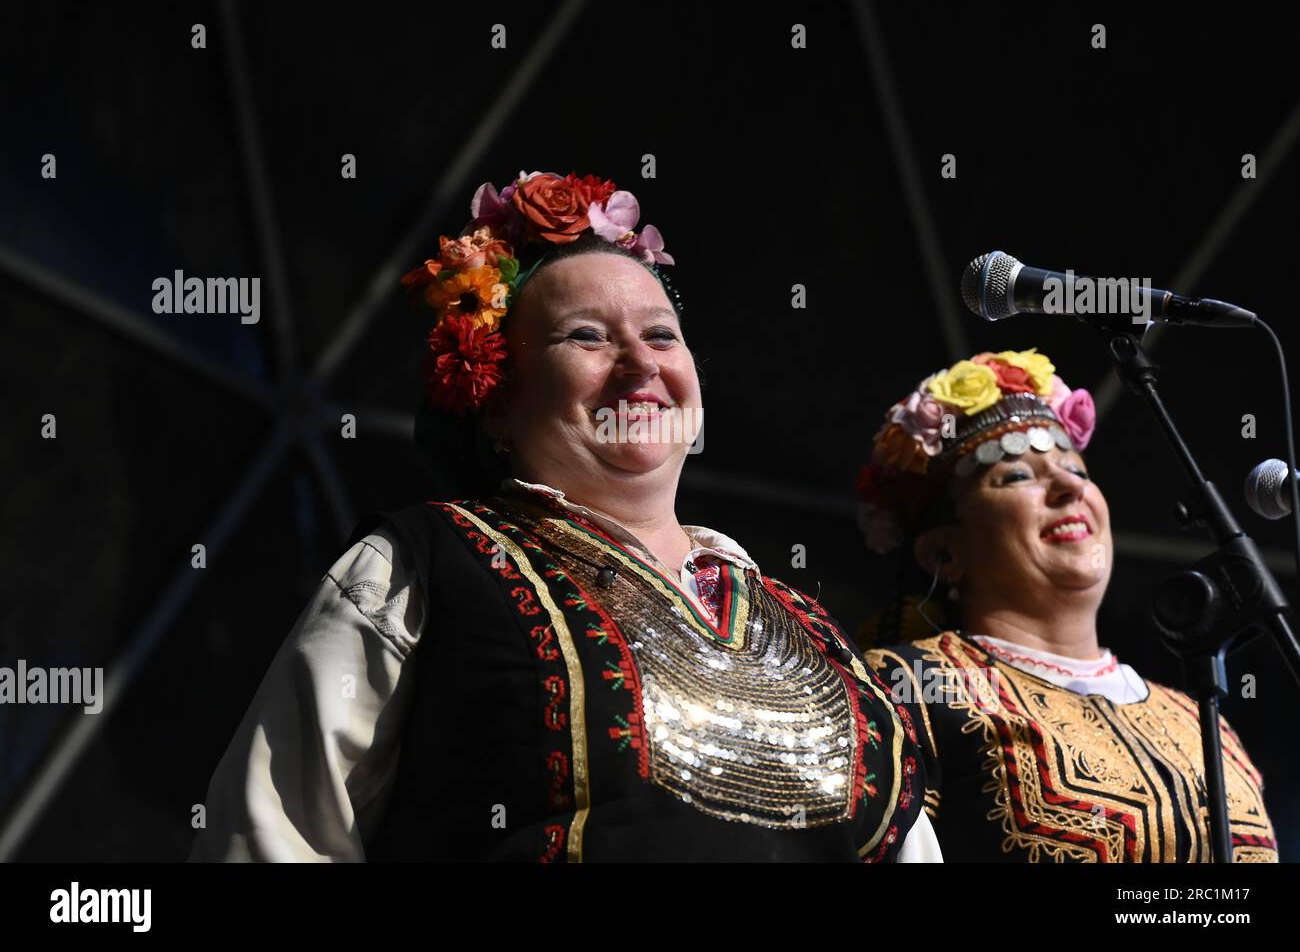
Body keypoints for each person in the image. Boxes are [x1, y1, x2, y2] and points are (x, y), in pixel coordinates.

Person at [189, 169, 939, 862]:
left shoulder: (809, 629)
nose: (641, 365)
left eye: (660, 335)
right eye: (587, 336)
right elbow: (275, 835)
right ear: (499, 404)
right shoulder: (423, 566)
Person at [852, 349, 1278, 862]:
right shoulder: (907, 687)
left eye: (1077, 469)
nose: (1069, 487)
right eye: (1016, 476)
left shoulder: (1197, 714)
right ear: (946, 551)